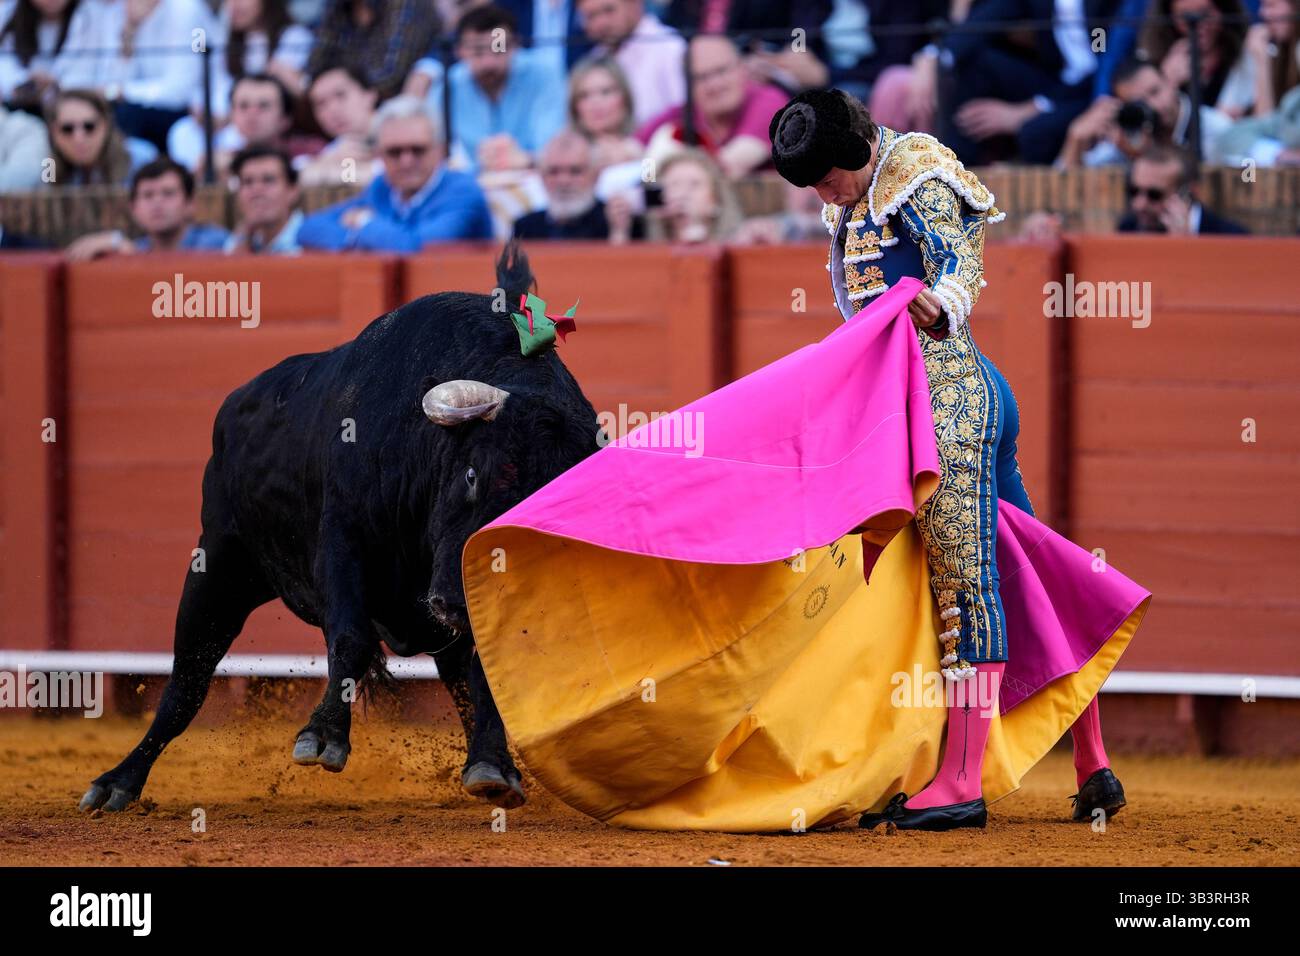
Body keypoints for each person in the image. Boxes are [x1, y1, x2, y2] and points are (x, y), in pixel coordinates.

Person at [768, 88, 1127, 830]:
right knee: (1029, 580)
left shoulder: (916, 167)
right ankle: (1094, 761)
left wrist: (945, 300)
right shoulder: (851, 192)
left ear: (858, 151)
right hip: (937, 395)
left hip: (951, 399)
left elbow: (958, 257)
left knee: (966, 585)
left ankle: (961, 780)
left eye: (827, 179)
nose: (823, 196)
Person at [298, 95, 493, 251]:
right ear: (379, 155)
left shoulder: (463, 191)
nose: (406, 161)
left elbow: (416, 249)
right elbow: (309, 228)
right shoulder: (381, 187)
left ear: (440, 150)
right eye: (394, 152)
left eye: (417, 150)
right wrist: (360, 239)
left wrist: (364, 223)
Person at [636, 34, 789, 178]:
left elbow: (730, 164)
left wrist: (662, 166)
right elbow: (631, 152)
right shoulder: (685, 111)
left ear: (742, 69)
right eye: (702, 77)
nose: (714, 85)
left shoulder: (768, 100)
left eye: (721, 71)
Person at [64, 157, 230, 258]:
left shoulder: (218, 243)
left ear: (190, 204)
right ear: (133, 208)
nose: (157, 203)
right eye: (148, 195)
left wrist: (120, 245)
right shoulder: (131, 247)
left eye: (168, 193)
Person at [511, 129, 643, 241]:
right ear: (542, 177)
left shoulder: (616, 220)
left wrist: (619, 233)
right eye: (554, 172)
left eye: (575, 171)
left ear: (595, 175)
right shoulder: (525, 228)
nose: (563, 181)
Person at [574, 0, 686, 126]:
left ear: (635, 4)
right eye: (591, 16)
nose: (601, 23)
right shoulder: (594, 60)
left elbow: (684, 114)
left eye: (609, 10)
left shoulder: (669, 47)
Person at [1117, 142, 1250, 233]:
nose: (1139, 205)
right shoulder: (1128, 228)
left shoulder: (1230, 237)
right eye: (1133, 191)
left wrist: (1186, 247)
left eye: (1154, 195)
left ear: (1189, 194)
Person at [44, 87, 150, 186]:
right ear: (53, 132)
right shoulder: (48, 168)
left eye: (89, 126)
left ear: (105, 126)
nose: (79, 138)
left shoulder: (140, 159)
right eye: (67, 129)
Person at [298, 65, 380, 186]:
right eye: (321, 103)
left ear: (369, 95)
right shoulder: (335, 152)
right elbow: (349, 182)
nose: (333, 109)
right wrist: (328, 163)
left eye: (340, 95)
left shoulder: (404, 123)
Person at [224, 144, 304, 253]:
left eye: (268, 180)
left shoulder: (312, 240)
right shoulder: (239, 239)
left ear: (292, 191)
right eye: (248, 182)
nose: (256, 190)